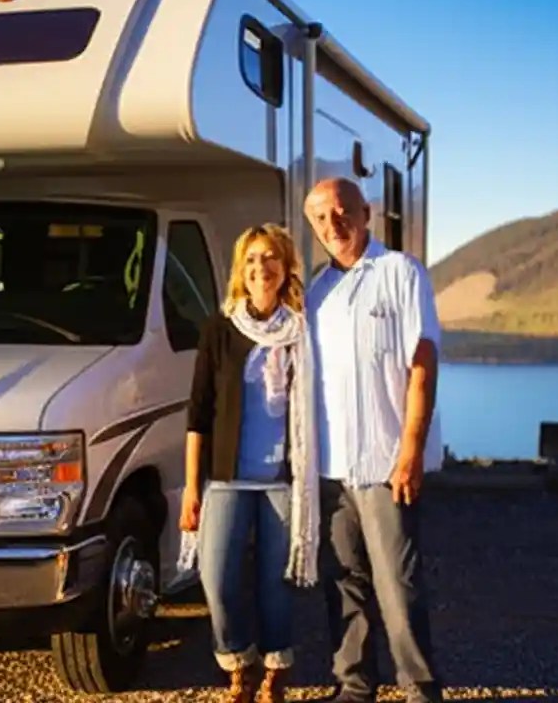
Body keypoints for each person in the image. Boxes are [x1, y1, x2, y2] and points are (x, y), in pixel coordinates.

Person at [302, 177, 445, 703]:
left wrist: (410, 450)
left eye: (342, 212)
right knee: (344, 584)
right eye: (320, 218)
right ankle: (354, 687)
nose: (332, 224)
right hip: (331, 468)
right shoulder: (316, 292)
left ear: (366, 212)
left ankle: (420, 690)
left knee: (398, 587)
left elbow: (423, 363)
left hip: (386, 465)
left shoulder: (400, 273)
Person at [180, 222, 322, 703]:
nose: (261, 268)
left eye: (270, 258)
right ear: (242, 271)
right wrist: (191, 488)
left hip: (284, 481)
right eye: (251, 260)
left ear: (285, 267)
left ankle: (275, 671)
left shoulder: (302, 332)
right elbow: (197, 413)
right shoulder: (219, 330)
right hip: (225, 478)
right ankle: (237, 658)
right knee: (216, 579)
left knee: (273, 585)